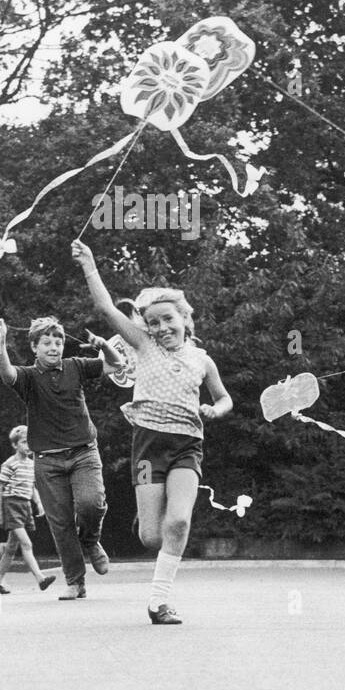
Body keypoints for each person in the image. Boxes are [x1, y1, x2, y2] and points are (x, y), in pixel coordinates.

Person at [72, 240, 233, 625]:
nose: (162, 328)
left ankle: (158, 602)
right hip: (148, 445)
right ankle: (146, 520)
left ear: (185, 319)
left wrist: (216, 409)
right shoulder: (143, 345)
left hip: (187, 446)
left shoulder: (202, 359)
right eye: (154, 322)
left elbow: (225, 398)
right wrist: (89, 265)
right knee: (151, 537)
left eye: (168, 320)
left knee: (178, 523)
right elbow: (107, 309)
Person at [0, 314, 123, 600]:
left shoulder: (76, 366)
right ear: (34, 347)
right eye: (47, 343)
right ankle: (75, 582)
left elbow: (116, 365)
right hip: (48, 461)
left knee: (91, 503)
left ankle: (90, 540)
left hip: (83, 453)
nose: (54, 347)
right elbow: (5, 373)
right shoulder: (27, 377)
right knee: (61, 524)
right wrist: (0, 344)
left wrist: (103, 345)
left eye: (58, 341)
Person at [0, 426, 57, 594]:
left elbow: (32, 487)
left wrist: (39, 503)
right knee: (26, 544)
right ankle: (40, 578)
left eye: (30, 442)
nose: (28, 446)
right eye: (24, 442)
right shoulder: (9, 464)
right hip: (11, 505)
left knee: (11, 548)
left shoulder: (31, 465)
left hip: (24, 505)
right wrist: (0, 513)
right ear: (15, 445)